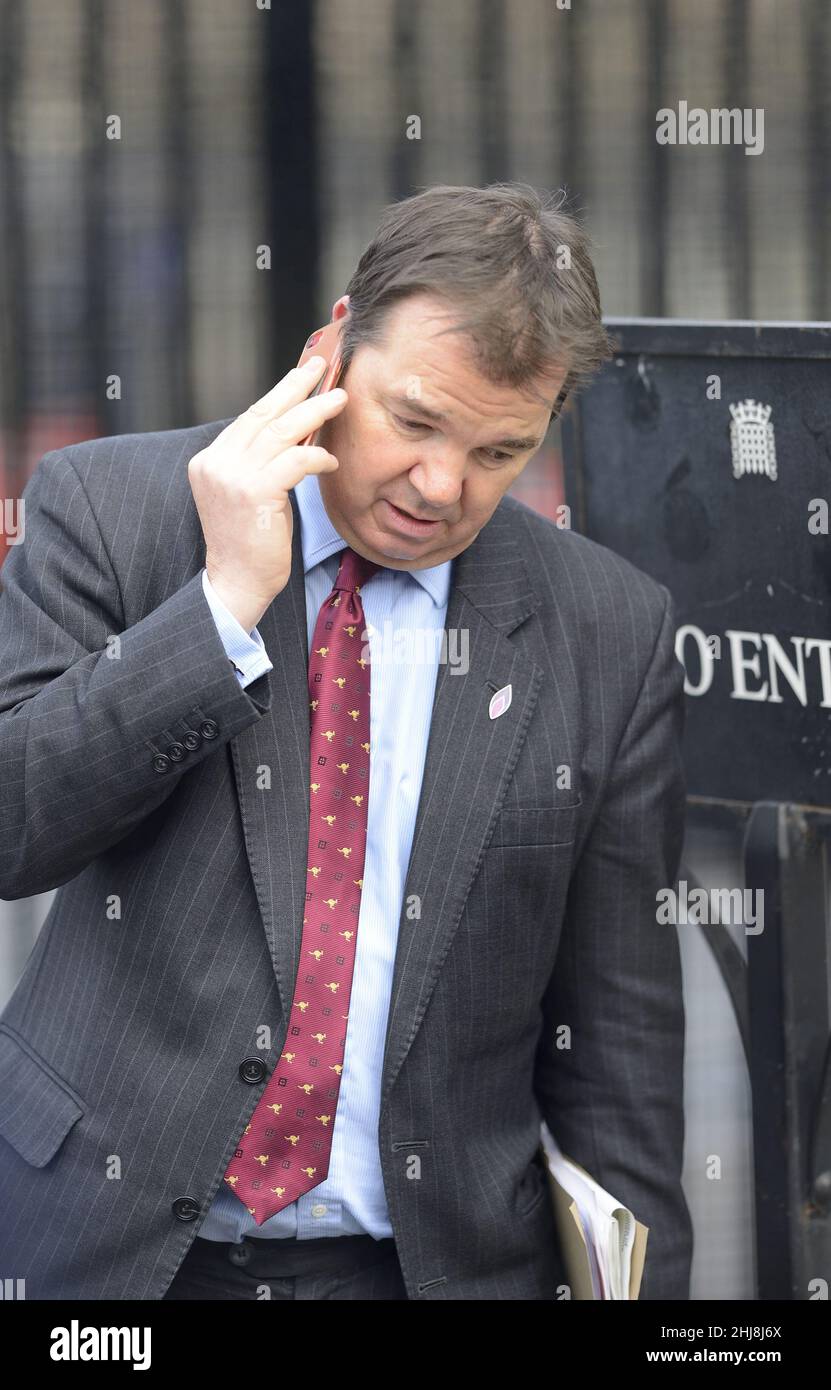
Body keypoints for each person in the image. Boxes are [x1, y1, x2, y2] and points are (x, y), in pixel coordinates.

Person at [0, 181, 693, 1300]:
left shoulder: (607, 629)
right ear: (332, 346)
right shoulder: (113, 508)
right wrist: (220, 609)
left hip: (423, 1267)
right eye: (413, 420)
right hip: (105, 1251)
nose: (440, 486)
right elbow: (12, 826)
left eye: (497, 451)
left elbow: (622, 1050)